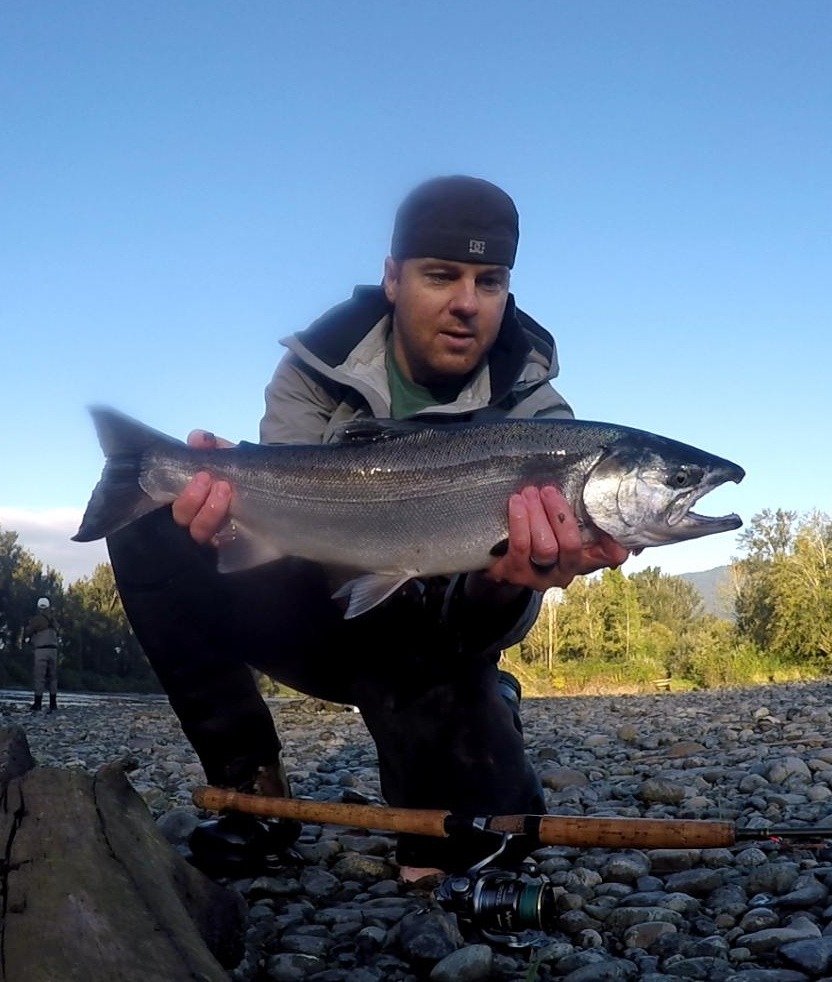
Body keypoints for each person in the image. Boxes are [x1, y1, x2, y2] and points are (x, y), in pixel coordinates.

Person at [107, 176, 628, 877]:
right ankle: (249, 793)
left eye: (490, 280)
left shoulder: (543, 421)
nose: (467, 303)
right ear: (392, 277)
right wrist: (224, 517)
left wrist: (503, 589)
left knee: (466, 854)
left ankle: (481, 705)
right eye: (442, 274)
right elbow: (282, 533)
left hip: (436, 642)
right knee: (153, 523)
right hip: (317, 607)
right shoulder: (311, 372)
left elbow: (492, 615)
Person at [25, 597, 59, 713]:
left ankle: (38, 704)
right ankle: (53, 704)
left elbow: (28, 632)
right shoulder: (54, 620)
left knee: (39, 677)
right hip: (53, 651)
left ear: (39, 607)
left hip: (41, 650)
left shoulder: (37, 619)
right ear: (48, 606)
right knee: (53, 678)